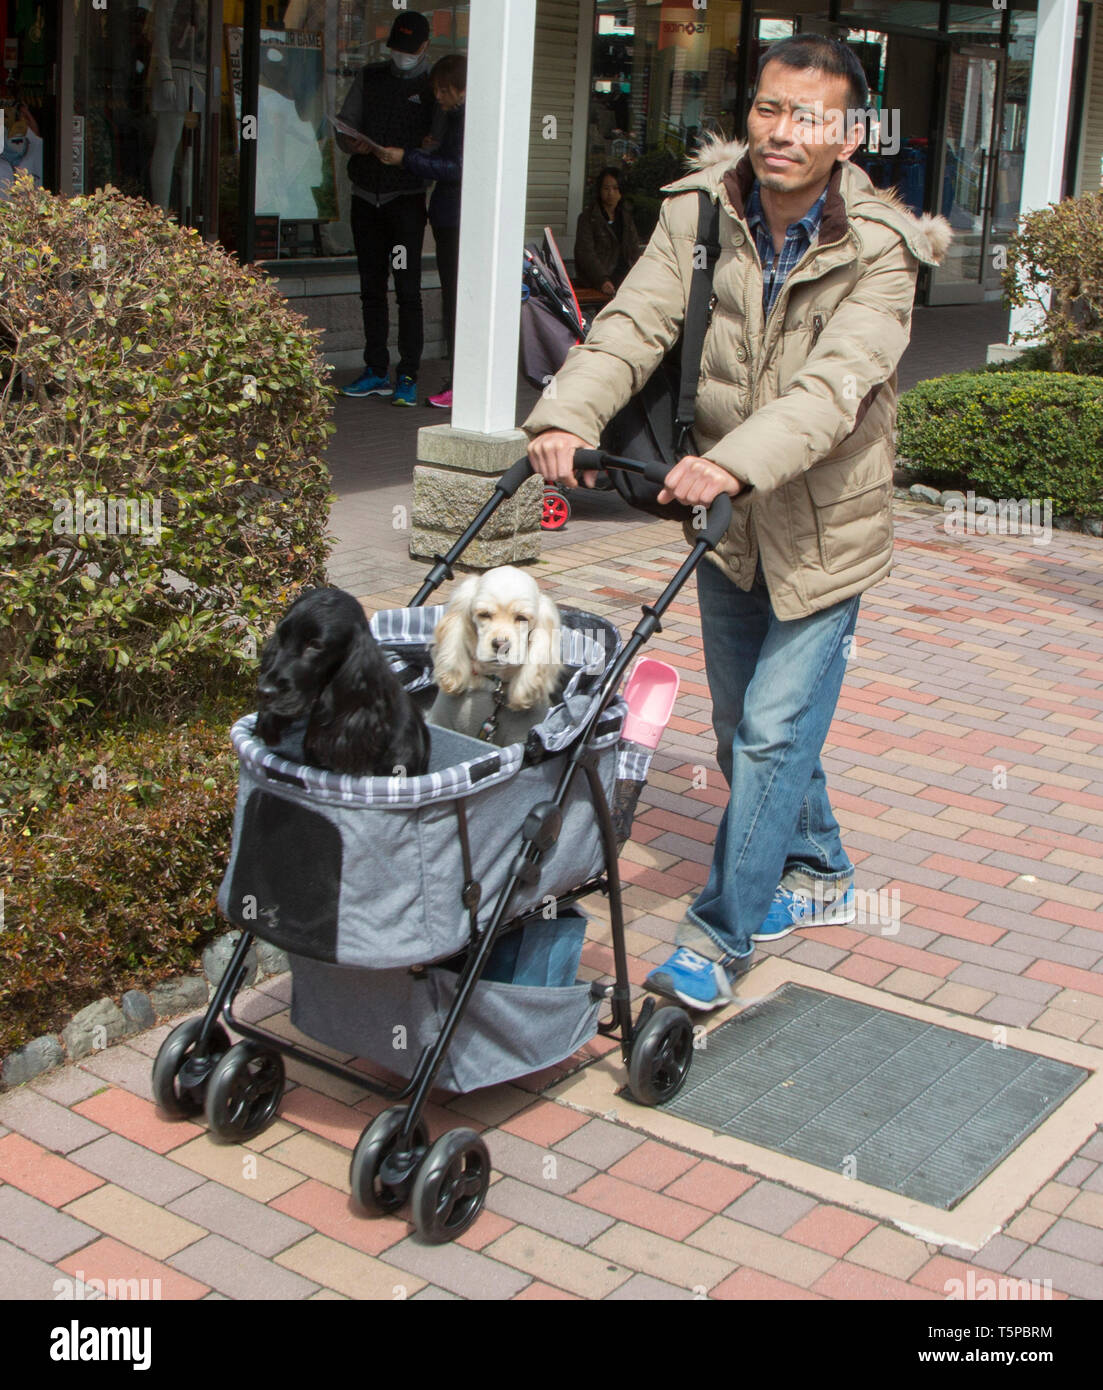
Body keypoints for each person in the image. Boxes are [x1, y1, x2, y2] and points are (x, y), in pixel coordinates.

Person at [524, 36, 951, 1010]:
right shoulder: (699, 213)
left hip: (820, 528)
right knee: (740, 726)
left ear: (847, 134)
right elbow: (631, 324)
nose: (780, 132)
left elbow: (829, 389)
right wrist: (564, 412)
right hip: (725, 524)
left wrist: (727, 461)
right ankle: (820, 865)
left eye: (806, 116)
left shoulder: (880, 251)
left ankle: (719, 935)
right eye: (766, 108)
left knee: (765, 732)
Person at [335, 10, 435, 407]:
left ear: (424, 48)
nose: (401, 55)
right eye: (396, 48)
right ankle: (375, 370)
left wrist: (415, 153)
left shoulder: (433, 87)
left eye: (409, 50)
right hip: (365, 197)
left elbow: (439, 146)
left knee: (407, 290)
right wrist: (350, 142)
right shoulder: (370, 76)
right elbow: (343, 126)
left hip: (405, 201)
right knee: (370, 289)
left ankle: (407, 374)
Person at [375, 54, 466, 411]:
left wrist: (407, 158)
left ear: (461, 88)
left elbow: (457, 167)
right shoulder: (455, 118)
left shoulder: (464, 119)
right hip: (450, 218)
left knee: (456, 301)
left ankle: (461, 383)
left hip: (455, 220)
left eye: (444, 91)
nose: (438, 98)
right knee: (453, 300)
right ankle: (458, 381)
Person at [573, 167, 641, 298]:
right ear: (599, 190)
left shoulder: (625, 216)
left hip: (625, 276)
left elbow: (634, 248)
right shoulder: (588, 218)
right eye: (606, 188)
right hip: (598, 280)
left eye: (615, 188)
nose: (611, 193)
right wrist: (602, 280)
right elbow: (585, 253)